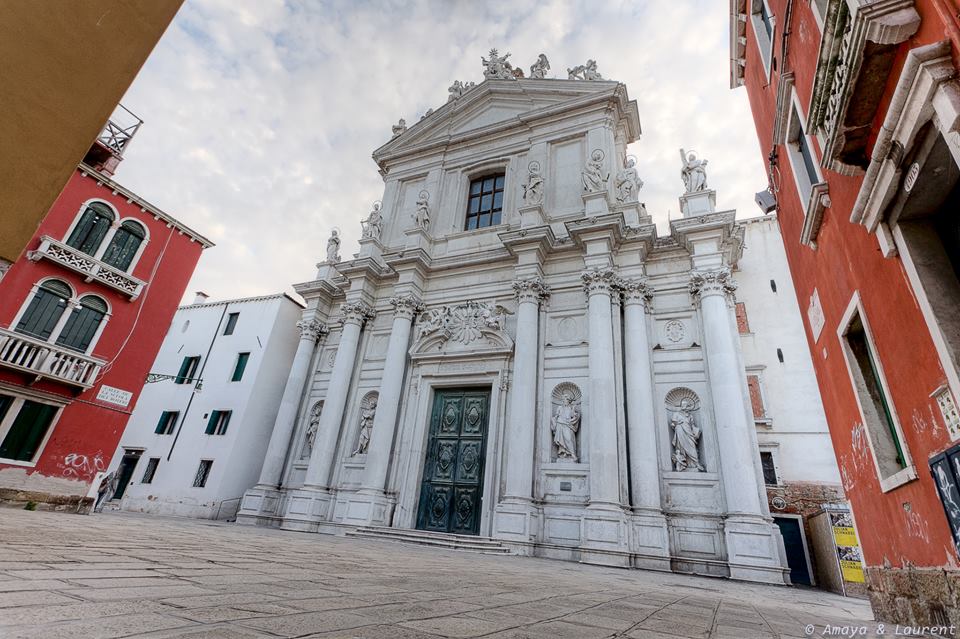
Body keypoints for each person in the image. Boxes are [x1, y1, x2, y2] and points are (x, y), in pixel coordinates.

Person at [551, 391, 581, 461]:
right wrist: (555, 420)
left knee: (569, 439)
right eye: (564, 399)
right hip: (560, 424)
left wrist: (573, 418)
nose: (565, 400)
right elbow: (556, 416)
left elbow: (575, 416)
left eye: (566, 399)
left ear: (569, 400)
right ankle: (564, 453)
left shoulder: (572, 408)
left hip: (568, 426)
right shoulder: (560, 408)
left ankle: (572, 454)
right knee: (563, 440)